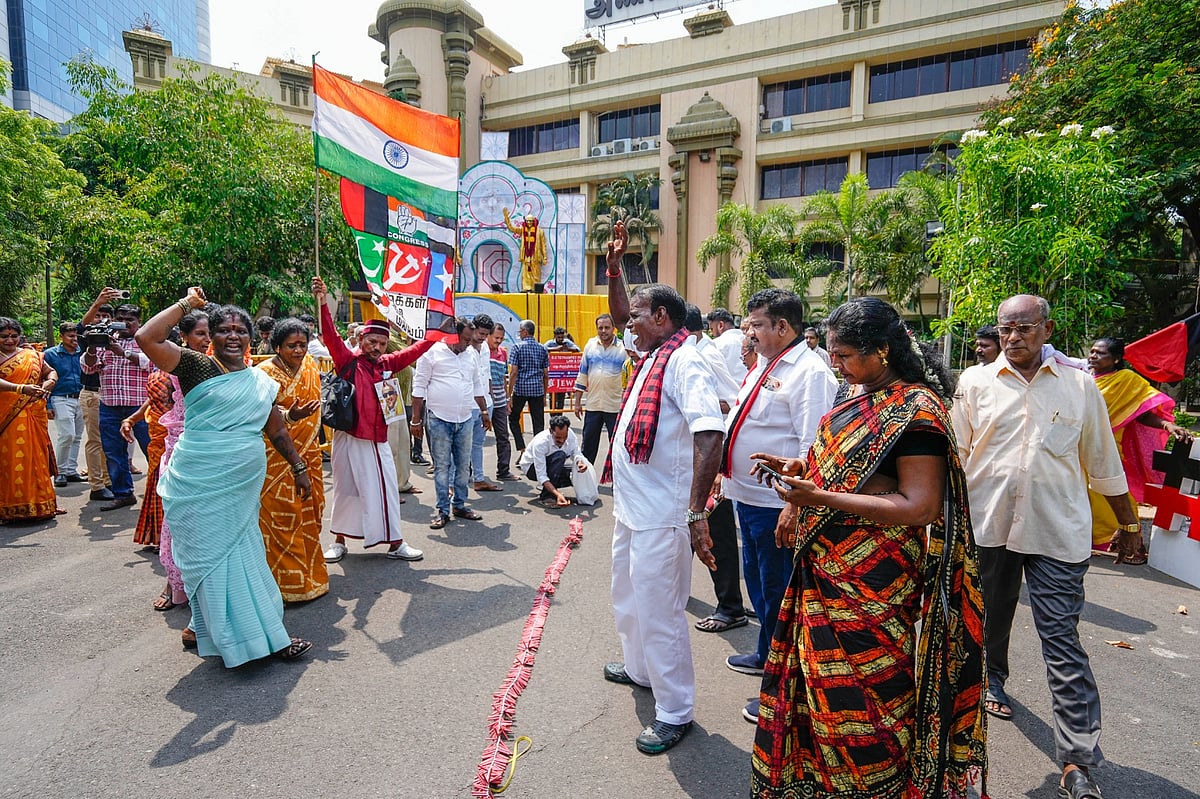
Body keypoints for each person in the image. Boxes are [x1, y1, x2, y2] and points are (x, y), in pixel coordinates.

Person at [750, 296, 986, 799]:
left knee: (869, 691)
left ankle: (876, 785)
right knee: (820, 686)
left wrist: (819, 497)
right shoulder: (852, 393)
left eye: (843, 354)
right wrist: (801, 469)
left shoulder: (917, 412)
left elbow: (919, 506)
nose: (834, 363)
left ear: (882, 351)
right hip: (825, 565)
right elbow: (851, 467)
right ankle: (822, 781)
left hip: (876, 578)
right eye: (832, 353)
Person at [951, 294, 1140, 799]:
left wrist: (1130, 525)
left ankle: (1077, 760)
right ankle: (991, 683)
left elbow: (1103, 462)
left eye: (1025, 328)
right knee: (987, 621)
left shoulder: (1080, 386)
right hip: (988, 528)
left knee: (1062, 641)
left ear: (1047, 329)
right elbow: (957, 459)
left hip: (1056, 534)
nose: (1013, 337)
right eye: (1005, 328)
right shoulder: (974, 383)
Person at [137, 289, 313, 665]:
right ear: (211, 336)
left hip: (241, 486)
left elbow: (276, 429)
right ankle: (246, 637)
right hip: (198, 482)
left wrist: (299, 467)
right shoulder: (196, 366)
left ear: (251, 337)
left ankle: (215, 629)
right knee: (209, 558)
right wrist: (188, 304)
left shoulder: (258, 381)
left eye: (240, 330)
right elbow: (146, 337)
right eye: (224, 330)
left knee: (245, 556)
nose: (233, 336)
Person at [602, 221, 726, 755]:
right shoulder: (655, 352)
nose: (626, 324)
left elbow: (710, 434)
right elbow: (618, 313)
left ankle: (675, 710)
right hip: (633, 510)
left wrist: (696, 512)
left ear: (662, 317)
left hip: (664, 515)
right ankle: (640, 670)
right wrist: (614, 270)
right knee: (627, 598)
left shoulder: (686, 359)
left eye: (637, 316)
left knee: (661, 612)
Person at [720, 289, 837, 708]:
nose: (748, 333)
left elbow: (813, 447)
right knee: (759, 587)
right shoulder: (766, 363)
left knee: (779, 594)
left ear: (782, 327)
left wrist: (793, 506)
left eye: (756, 325)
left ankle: (781, 690)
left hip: (776, 507)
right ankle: (766, 655)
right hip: (749, 499)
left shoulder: (809, 372)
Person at [312, 277, 436, 564]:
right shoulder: (347, 361)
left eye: (382, 343)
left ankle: (396, 543)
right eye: (372, 342)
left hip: (377, 440)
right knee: (345, 491)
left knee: (386, 491)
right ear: (361, 340)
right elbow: (330, 335)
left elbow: (414, 351)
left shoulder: (387, 364)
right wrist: (322, 302)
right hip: (348, 437)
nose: (377, 347)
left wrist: (437, 335)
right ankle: (339, 541)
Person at [1086, 336, 1193, 561]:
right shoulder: (1080, 378)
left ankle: (1128, 546)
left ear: (1116, 359)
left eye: (1100, 353)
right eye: (1092, 351)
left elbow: (1143, 413)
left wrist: (1167, 425)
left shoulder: (1126, 380)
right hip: (1076, 452)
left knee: (1112, 495)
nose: (1093, 356)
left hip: (1107, 451)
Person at [682, 304, 748, 635]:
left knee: (714, 533)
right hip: (692, 460)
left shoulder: (703, 355)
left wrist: (719, 468)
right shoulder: (691, 352)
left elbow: (733, 401)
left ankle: (730, 606)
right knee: (685, 532)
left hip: (709, 460)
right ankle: (677, 594)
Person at [257, 318, 329, 602]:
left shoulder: (310, 364)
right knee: (281, 519)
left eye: (302, 344)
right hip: (278, 458)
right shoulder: (263, 374)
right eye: (291, 346)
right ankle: (284, 586)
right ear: (277, 346)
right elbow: (264, 419)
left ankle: (311, 577)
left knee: (311, 511)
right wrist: (291, 416)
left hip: (310, 453)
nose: (298, 351)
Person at [152, 310, 209, 612]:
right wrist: (186, 304)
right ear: (184, 337)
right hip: (181, 447)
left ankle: (208, 586)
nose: (207, 340)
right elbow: (149, 336)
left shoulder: (224, 362)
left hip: (213, 448)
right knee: (178, 519)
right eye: (200, 334)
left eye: (211, 333)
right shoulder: (179, 360)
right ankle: (174, 582)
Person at [411, 316, 492, 530]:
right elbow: (419, 388)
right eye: (465, 339)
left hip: (465, 418)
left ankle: (459, 505)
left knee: (463, 467)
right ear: (452, 335)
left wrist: (484, 411)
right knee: (442, 467)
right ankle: (443, 510)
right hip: (439, 419)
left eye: (470, 339)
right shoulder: (431, 353)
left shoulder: (470, 354)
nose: (468, 344)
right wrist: (416, 420)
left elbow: (477, 384)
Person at [82, 303, 153, 512]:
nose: (125, 323)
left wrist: (124, 353)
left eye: (130, 319)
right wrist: (92, 347)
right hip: (110, 406)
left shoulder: (146, 340)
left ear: (139, 322)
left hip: (141, 408)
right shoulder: (105, 339)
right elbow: (87, 368)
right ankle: (123, 494)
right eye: (120, 319)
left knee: (153, 450)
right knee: (113, 454)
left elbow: (155, 364)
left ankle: (160, 494)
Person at [0, 317, 59, 523]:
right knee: (11, 460)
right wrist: (19, 388)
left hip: (34, 414)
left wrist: (49, 383)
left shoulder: (31, 355)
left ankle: (41, 504)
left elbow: (50, 372)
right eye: (4, 336)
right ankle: (11, 507)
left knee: (36, 458)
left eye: (14, 336)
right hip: (7, 418)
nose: (10, 340)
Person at [127, 364, 175, 550]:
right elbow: (152, 401)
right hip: (160, 438)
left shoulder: (196, 369)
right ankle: (160, 537)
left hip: (184, 438)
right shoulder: (160, 373)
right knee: (159, 482)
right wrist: (132, 419)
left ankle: (172, 539)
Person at [78, 292, 120, 501]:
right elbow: (81, 326)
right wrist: (97, 303)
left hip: (110, 397)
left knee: (109, 441)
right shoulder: (87, 337)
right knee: (95, 441)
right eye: (98, 316)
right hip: (92, 394)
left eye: (106, 317)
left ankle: (108, 480)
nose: (102, 320)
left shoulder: (116, 339)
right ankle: (96, 485)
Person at [572, 313, 627, 466]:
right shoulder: (590, 346)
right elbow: (582, 374)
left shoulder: (623, 349)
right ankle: (584, 477)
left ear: (613, 328)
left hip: (615, 406)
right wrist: (577, 402)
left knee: (617, 447)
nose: (603, 331)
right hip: (593, 405)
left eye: (607, 328)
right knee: (588, 447)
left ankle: (617, 479)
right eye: (600, 328)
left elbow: (628, 378)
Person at [43, 322, 86, 487]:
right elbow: (44, 379)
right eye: (70, 336)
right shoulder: (50, 354)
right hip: (60, 397)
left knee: (77, 436)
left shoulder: (82, 352)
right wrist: (48, 404)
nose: (74, 339)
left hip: (81, 397)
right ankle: (60, 472)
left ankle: (71, 470)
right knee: (67, 434)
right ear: (61, 336)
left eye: (76, 336)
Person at [462, 315, 501, 493]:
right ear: (473, 329)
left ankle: (479, 479)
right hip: (468, 404)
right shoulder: (463, 348)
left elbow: (487, 374)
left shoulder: (485, 347)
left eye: (485, 334)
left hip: (486, 403)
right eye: (479, 333)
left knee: (478, 443)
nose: (482, 337)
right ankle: (455, 483)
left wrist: (491, 398)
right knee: (461, 445)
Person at [517, 415, 593, 506]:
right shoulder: (541, 443)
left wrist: (579, 463)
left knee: (577, 472)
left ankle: (550, 488)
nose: (562, 441)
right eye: (558, 438)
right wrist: (558, 494)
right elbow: (541, 475)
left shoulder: (571, 435)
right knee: (560, 456)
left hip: (552, 465)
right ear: (551, 431)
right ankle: (547, 496)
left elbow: (576, 453)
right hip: (532, 468)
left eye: (564, 437)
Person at [507, 320, 549, 455]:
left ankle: (522, 448)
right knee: (538, 423)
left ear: (525, 332)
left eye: (520, 331)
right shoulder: (542, 348)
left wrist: (509, 393)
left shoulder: (517, 347)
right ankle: (538, 451)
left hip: (521, 389)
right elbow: (546, 374)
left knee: (513, 419)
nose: (519, 334)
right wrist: (544, 395)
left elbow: (514, 372)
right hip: (537, 389)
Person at [488, 324, 517, 480]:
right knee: (475, 439)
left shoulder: (503, 353)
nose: (498, 341)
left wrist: (507, 399)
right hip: (484, 402)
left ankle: (503, 470)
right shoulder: (480, 352)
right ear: (488, 336)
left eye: (501, 338)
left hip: (499, 401)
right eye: (496, 338)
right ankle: (470, 472)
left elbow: (505, 378)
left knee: (503, 437)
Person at [503, 203, 548, 292]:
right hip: (526, 256)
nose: (529, 223)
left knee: (536, 273)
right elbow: (512, 229)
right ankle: (527, 288)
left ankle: (536, 288)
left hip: (535, 256)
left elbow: (543, 245)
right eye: (527, 221)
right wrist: (506, 218)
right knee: (526, 273)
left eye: (530, 221)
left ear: (533, 221)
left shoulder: (540, 231)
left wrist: (545, 257)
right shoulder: (523, 230)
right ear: (525, 222)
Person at [707, 307, 747, 383]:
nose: (711, 334)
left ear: (721, 325)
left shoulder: (716, 345)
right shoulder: (748, 340)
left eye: (712, 329)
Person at [544, 326, 579, 412]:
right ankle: (553, 416)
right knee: (552, 397)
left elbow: (578, 349)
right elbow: (543, 349)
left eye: (562, 337)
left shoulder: (566, 342)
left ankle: (560, 415)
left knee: (561, 397)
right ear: (555, 336)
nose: (560, 339)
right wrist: (555, 349)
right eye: (558, 337)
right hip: (553, 373)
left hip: (562, 373)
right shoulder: (550, 343)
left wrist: (569, 349)